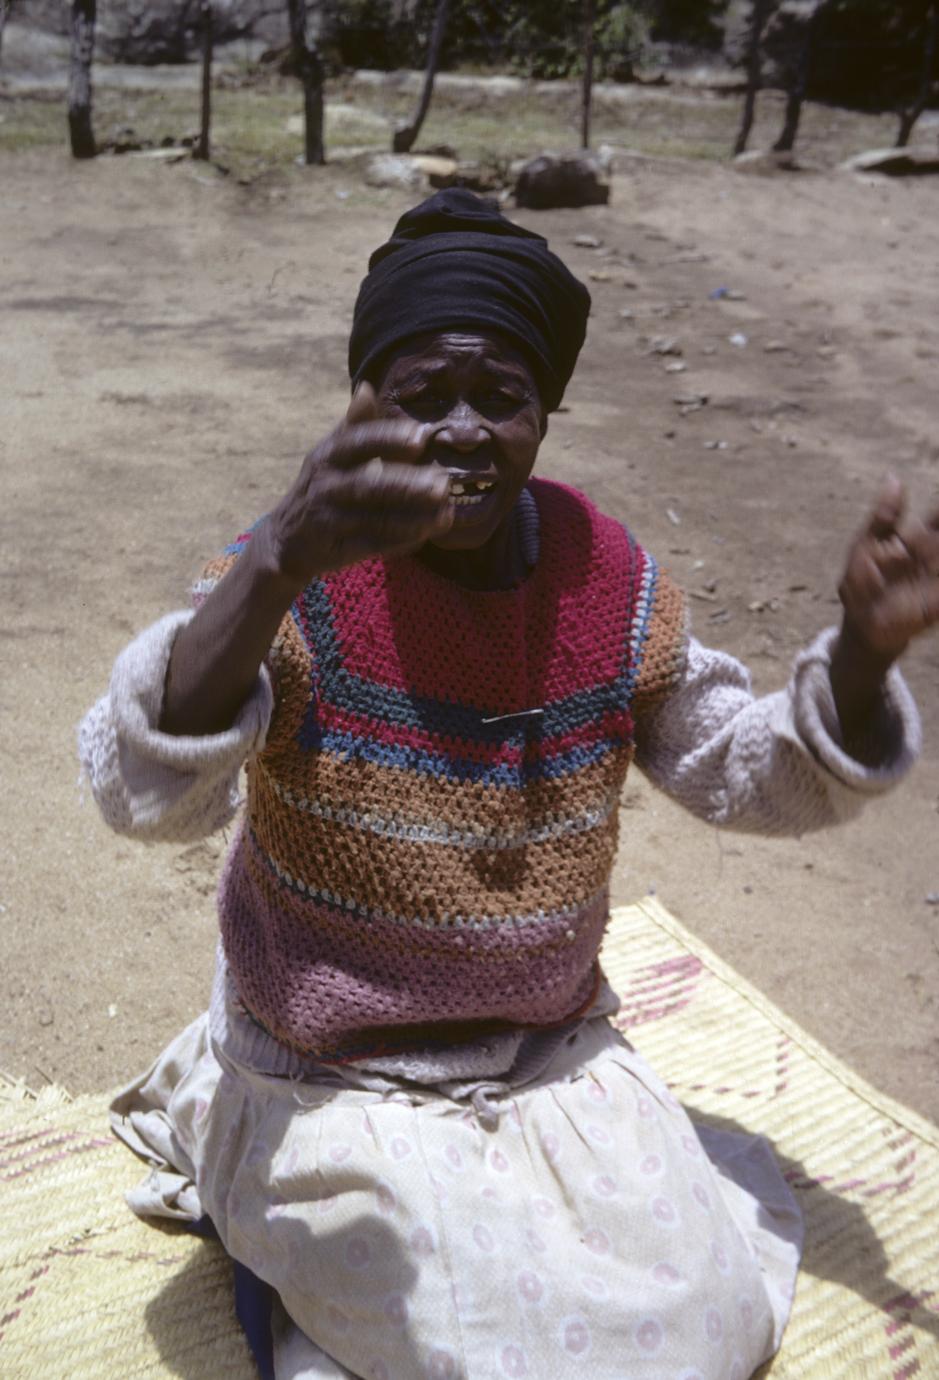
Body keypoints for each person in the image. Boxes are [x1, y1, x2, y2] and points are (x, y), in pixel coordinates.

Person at [80, 189, 937, 1380]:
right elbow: (139, 794)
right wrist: (273, 560)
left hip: (545, 1052)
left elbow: (745, 773)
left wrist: (858, 655)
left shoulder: (604, 574)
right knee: (462, 1343)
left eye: (502, 395)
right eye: (421, 395)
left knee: (702, 1324)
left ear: (549, 408)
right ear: (361, 406)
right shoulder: (298, 573)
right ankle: (261, 1221)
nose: (464, 430)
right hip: (339, 1075)